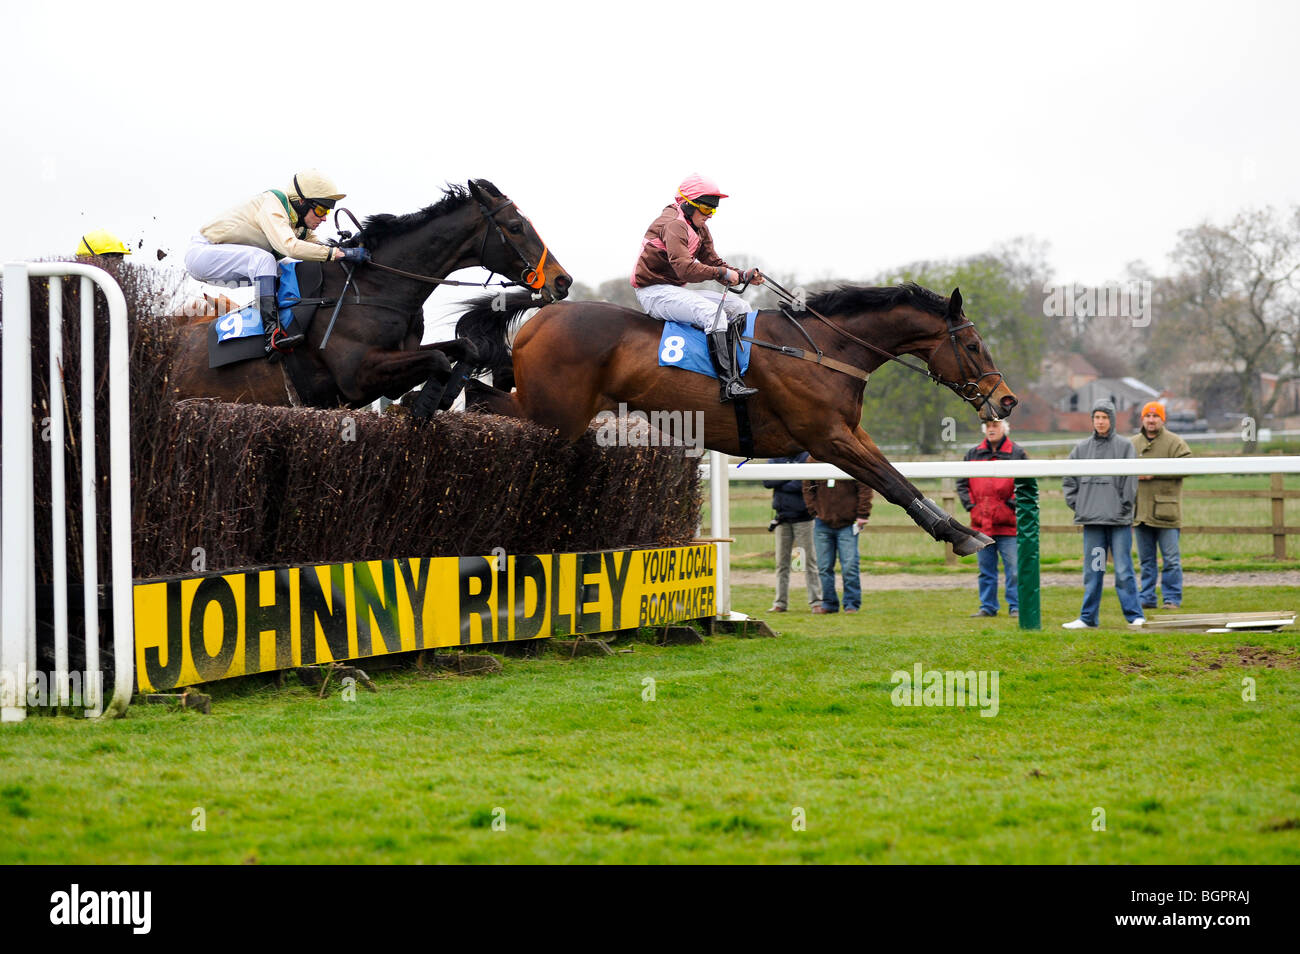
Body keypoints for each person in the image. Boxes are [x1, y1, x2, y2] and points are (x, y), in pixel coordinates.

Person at [184, 169, 370, 357]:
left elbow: (319, 251)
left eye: (327, 211)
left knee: (289, 267)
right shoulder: (274, 204)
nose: (324, 218)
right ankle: (271, 334)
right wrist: (339, 253)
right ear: (301, 202)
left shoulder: (300, 226)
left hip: (223, 260)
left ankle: (286, 323)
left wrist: (347, 247)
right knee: (265, 260)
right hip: (202, 254)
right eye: (321, 210)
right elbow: (291, 247)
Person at [631, 174, 765, 402]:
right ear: (687, 204)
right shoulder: (674, 225)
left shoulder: (699, 227)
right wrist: (722, 274)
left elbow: (713, 262)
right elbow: (685, 269)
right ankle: (728, 385)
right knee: (713, 314)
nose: (710, 216)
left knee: (741, 306)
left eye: (713, 211)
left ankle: (745, 371)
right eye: (705, 209)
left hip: (675, 291)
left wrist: (742, 275)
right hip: (653, 292)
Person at [1061, 399, 1145, 629]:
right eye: (1096, 417)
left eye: (1104, 417)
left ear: (1112, 420)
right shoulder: (1081, 449)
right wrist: (1079, 505)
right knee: (1094, 569)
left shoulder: (1125, 447)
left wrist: (1124, 506)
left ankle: (1134, 615)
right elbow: (1068, 480)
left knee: (1123, 569)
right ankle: (1088, 618)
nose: (1100, 421)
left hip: (1118, 522)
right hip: (1093, 523)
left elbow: (1131, 481)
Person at [957, 418, 1027, 618]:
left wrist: (1009, 506)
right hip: (981, 524)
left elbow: (1025, 482)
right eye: (988, 426)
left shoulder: (1017, 453)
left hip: (1008, 524)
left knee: (1013, 569)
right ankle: (987, 607)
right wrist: (971, 506)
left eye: (995, 426)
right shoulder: (973, 454)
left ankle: (1016, 606)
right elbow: (962, 482)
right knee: (986, 570)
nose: (991, 429)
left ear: (1004, 428)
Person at [1131, 401, 1192, 610]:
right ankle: (1146, 598)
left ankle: (1172, 598)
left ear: (1162, 419)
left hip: (1167, 513)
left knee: (1171, 560)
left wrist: (1154, 472)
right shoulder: (1132, 444)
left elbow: (1187, 466)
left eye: (1155, 416)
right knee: (1146, 561)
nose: (1151, 420)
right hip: (1140, 513)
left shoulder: (1175, 442)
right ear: (1142, 419)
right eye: (1147, 416)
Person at [802, 462, 873, 614]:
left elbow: (865, 486)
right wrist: (814, 510)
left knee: (849, 566)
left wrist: (863, 513)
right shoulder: (813, 459)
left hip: (847, 524)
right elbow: (807, 486)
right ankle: (829, 604)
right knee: (824, 567)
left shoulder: (847, 455)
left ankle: (851, 604)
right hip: (822, 523)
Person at [763, 452, 821, 613]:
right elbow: (767, 481)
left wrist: (780, 480)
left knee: (809, 561)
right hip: (782, 518)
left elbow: (805, 484)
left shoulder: (807, 457)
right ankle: (780, 603)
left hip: (804, 519)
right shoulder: (775, 457)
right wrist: (792, 474)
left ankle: (816, 601)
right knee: (781, 563)